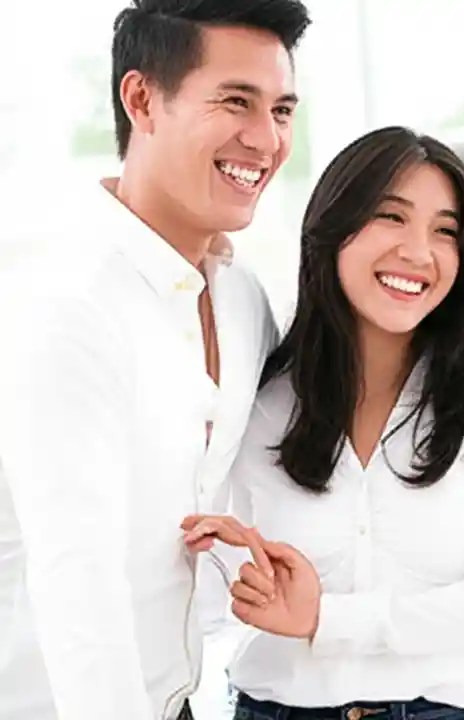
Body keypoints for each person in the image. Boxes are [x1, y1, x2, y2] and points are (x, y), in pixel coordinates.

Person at [0, 1, 311, 718]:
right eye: (236, 101)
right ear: (141, 99)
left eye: (283, 110)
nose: (265, 139)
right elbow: (80, 586)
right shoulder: (68, 307)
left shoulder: (240, 299)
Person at [184, 127, 464, 720]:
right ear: (333, 228)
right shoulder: (263, 394)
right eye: (391, 217)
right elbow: (211, 587)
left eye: (444, 231)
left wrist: (326, 620)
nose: (418, 252)